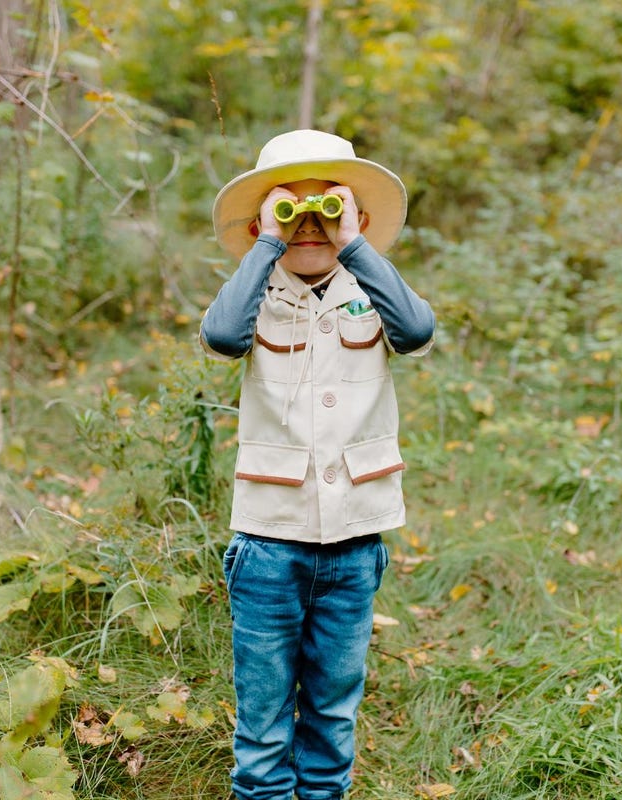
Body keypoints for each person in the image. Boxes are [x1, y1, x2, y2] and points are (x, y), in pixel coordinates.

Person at [200, 129, 435, 800]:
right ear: (259, 226)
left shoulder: (369, 287)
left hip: (355, 541)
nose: (310, 224)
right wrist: (267, 242)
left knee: (333, 717)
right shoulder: (257, 289)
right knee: (264, 725)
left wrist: (354, 241)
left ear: (354, 218)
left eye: (326, 209)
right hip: (270, 540)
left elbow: (416, 331)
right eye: (288, 210)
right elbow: (221, 337)